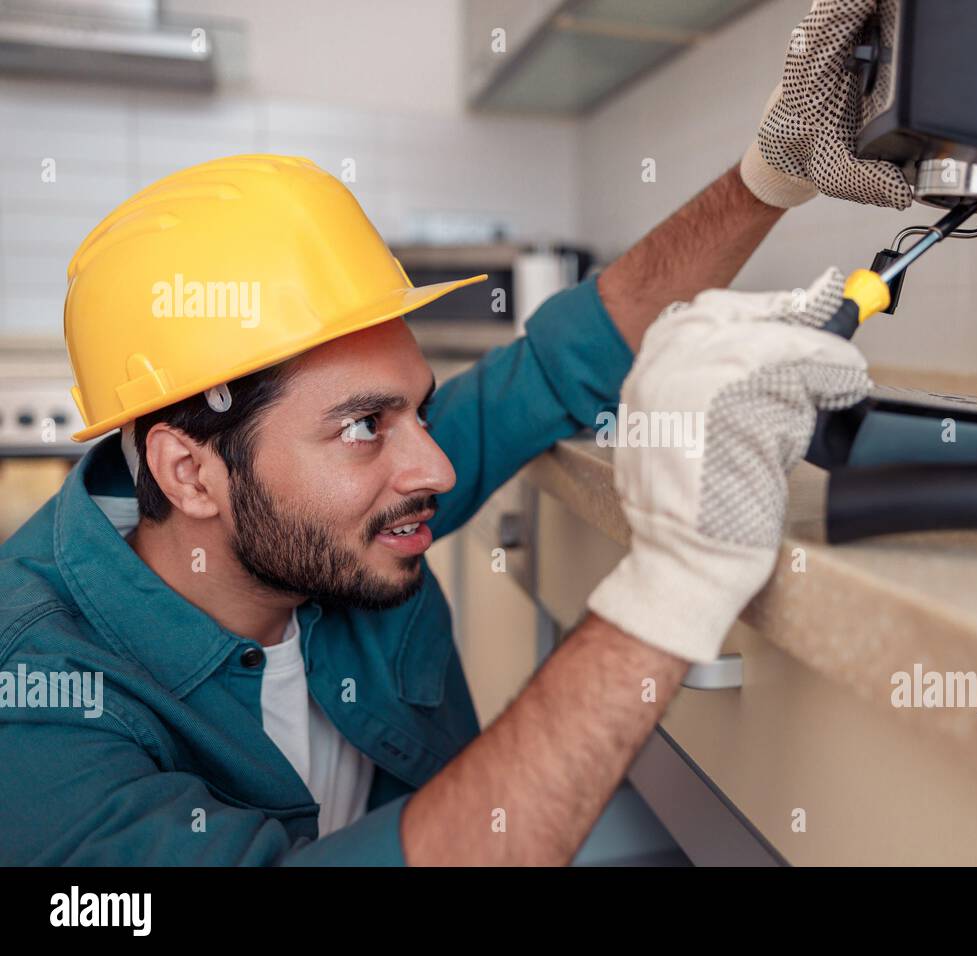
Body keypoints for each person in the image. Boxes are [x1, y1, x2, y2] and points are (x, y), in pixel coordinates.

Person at [0, 0, 908, 865]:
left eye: (419, 410)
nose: (437, 467)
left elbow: (562, 360)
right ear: (190, 473)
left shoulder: (329, 515)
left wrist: (768, 176)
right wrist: (677, 585)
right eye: (364, 424)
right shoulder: (38, 704)